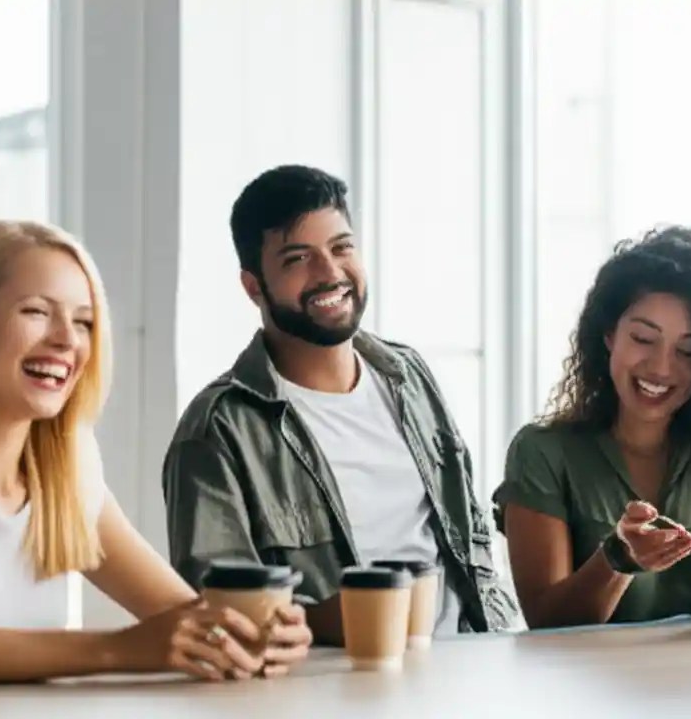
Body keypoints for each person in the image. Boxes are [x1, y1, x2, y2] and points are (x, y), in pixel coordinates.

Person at [0, 221, 311, 685]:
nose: (67, 340)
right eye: (37, 312)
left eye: (83, 321)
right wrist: (114, 649)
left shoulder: (65, 471)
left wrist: (256, 633)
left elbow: (181, 616)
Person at [163, 165, 516, 646]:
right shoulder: (218, 429)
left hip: (471, 659)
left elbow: (468, 541)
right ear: (253, 287)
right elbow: (225, 614)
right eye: (297, 259)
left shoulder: (407, 376)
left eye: (341, 247)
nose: (329, 273)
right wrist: (367, 614)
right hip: (333, 685)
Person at [494, 226, 691, 628]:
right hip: (577, 686)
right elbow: (547, 624)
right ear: (608, 335)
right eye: (643, 338)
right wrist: (618, 559)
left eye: (687, 351)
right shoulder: (543, 453)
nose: (660, 367)